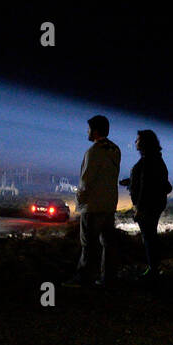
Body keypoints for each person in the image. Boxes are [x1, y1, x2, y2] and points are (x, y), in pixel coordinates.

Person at [66, 115, 121, 287]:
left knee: (88, 244)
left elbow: (86, 182)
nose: (87, 132)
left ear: (95, 131)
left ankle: (84, 278)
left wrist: (80, 202)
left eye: (89, 129)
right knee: (108, 244)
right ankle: (108, 278)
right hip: (109, 204)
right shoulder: (115, 150)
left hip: (93, 206)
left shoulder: (93, 152)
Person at [123, 129, 171, 280]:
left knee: (148, 236)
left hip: (148, 206)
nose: (135, 142)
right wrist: (131, 182)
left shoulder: (149, 160)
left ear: (144, 142)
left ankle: (153, 270)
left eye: (137, 140)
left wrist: (139, 208)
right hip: (154, 204)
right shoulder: (155, 158)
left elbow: (146, 185)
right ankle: (154, 267)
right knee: (150, 236)